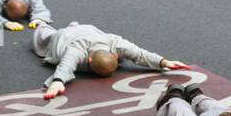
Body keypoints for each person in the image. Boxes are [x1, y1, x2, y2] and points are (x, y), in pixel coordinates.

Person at [31, 20, 187, 99]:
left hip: (89, 30)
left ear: (115, 55)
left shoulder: (115, 42)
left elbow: (141, 54)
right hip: (64, 37)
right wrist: (58, 81)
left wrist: (164, 62)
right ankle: (42, 24)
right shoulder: (77, 50)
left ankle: (75, 25)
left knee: (80, 28)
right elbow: (67, 64)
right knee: (43, 37)